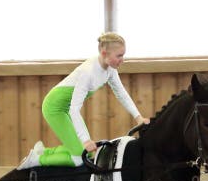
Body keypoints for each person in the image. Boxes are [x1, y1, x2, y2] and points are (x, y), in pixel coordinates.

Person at [18, 32, 149, 169]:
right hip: (54, 108)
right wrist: (86, 140)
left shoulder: (110, 69)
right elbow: (74, 109)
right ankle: (37, 159)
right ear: (104, 54)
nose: (123, 59)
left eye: (123, 55)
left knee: (88, 154)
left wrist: (138, 117)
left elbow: (121, 93)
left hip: (65, 108)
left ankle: (46, 152)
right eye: (119, 56)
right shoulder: (88, 73)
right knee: (78, 158)